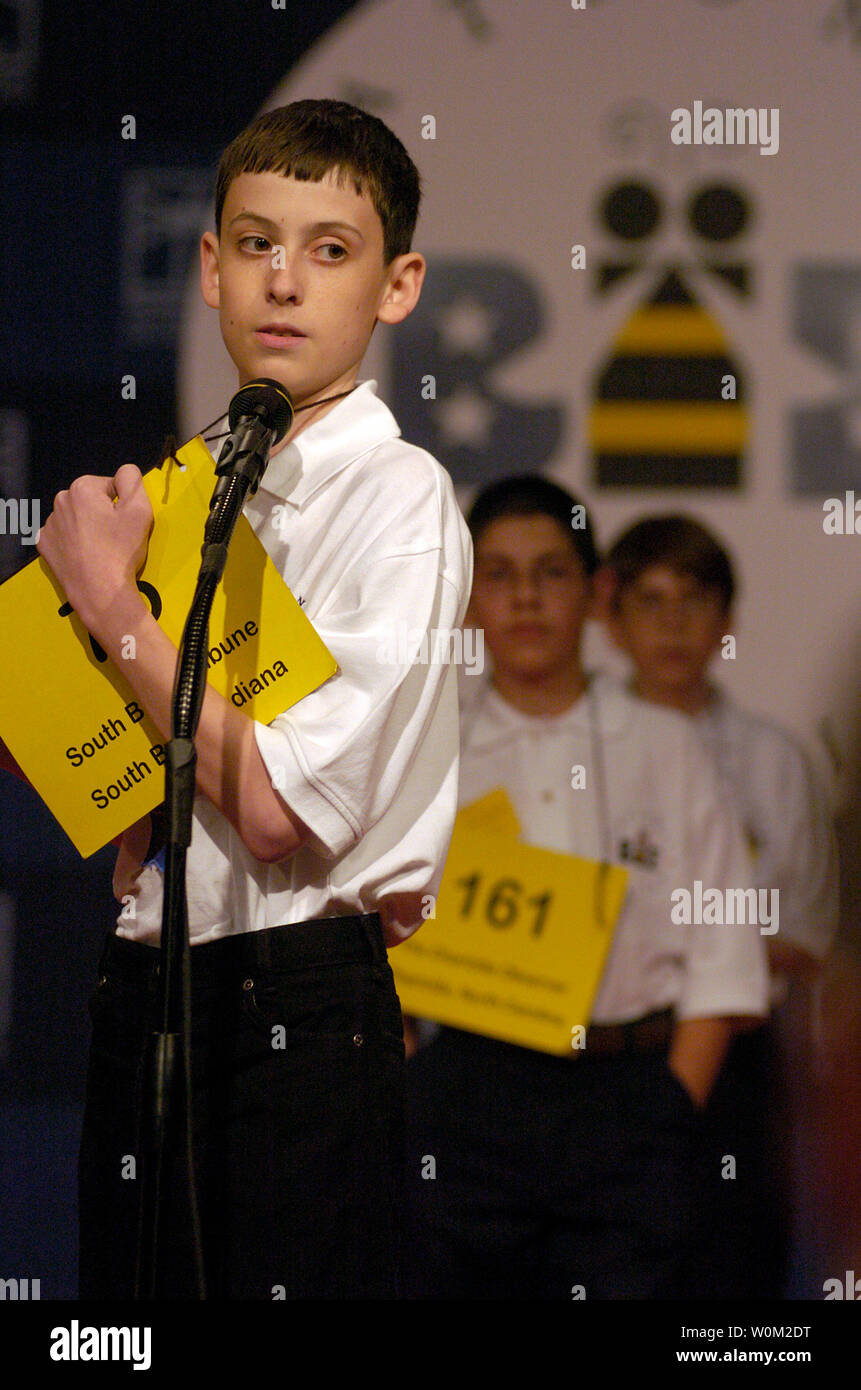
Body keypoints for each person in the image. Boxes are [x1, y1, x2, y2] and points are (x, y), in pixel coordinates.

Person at [14, 99, 472, 1299]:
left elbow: (277, 814)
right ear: (209, 267)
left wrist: (113, 608)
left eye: (331, 250)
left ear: (398, 284)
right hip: (146, 979)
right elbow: (91, 766)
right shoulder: (180, 488)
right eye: (257, 244)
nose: (286, 281)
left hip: (299, 1004)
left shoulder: (401, 498)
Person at [401, 476, 769, 1300]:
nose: (525, 598)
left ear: (597, 592)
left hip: (628, 1095)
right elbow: (368, 932)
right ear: (465, 600)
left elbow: (723, 948)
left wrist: (669, 1108)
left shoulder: (666, 745)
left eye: (551, 572)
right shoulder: (423, 751)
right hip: (467, 1099)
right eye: (497, 575)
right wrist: (417, 1083)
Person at [601, 513, 839, 1296]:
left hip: (738, 1057)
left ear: (728, 620)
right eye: (650, 599)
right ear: (611, 616)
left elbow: (806, 936)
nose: (672, 624)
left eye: (694, 601)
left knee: (730, 1276)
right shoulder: (572, 747)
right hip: (596, 1055)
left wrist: (688, 955)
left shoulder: (775, 761)